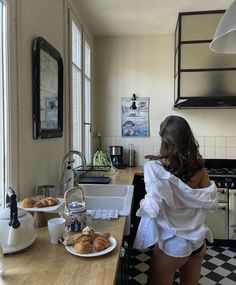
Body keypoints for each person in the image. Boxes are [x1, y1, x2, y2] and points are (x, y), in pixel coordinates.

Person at [133, 115, 218, 285]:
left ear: (164, 139)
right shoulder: (199, 169)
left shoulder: (154, 168)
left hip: (172, 244)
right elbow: (210, 201)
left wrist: (142, 203)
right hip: (197, 242)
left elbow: (152, 207)